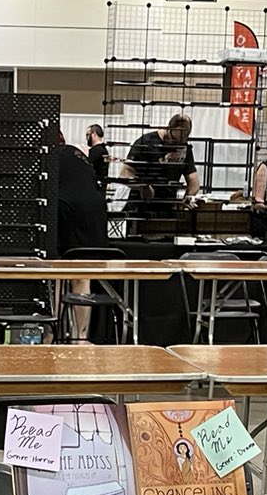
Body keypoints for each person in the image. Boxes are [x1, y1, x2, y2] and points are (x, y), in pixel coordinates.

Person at [55, 139, 112, 342]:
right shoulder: (78, 156)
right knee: (82, 276)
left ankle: (51, 334)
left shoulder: (50, 157)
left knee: (56, 275)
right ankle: (81, 337)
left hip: (66, 207)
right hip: (94, 211)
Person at [123, 113, 199, 216]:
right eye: (174, 141)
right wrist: (142, 186)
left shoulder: (184, 148)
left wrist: (188, 197)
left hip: (168, 207)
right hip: (141, 206)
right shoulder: (145, 142)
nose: (177, 146)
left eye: (181, 142)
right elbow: (125, 172)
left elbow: (194, 181)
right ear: (168, 130)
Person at [85, 124, 111, 190]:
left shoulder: (96, 151)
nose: (87, 138)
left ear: (93, 134)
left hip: (94, 187)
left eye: (88, 135)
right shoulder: (102, 149)